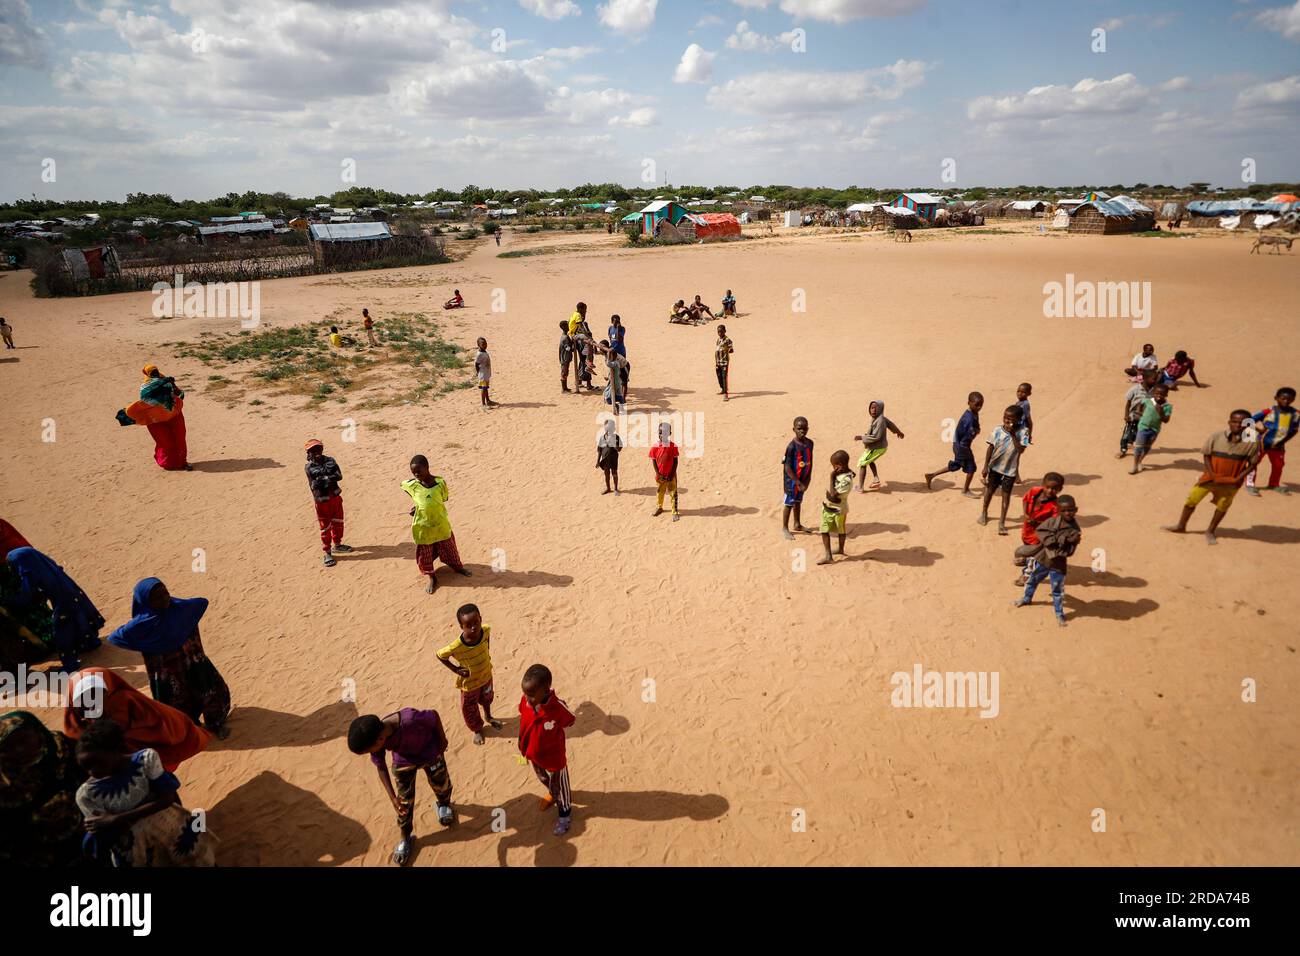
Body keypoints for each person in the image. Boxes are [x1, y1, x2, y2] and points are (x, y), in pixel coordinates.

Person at [75, 718, 216, 867]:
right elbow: (103, 829)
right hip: (138, 850)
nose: (92, 771)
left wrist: (116, 818)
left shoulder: (146, 759)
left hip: (172, 830)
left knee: (195, 859)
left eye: (97, 763)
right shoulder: (86, 795)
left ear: (115, 750)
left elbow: (167, 798)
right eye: (86, 767)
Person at [106, 578, 231, 738]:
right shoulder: (142, 626)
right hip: (168, 674)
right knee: (177, 705)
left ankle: (215, 724)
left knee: (212, 693)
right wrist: (140, 632)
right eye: (156, 598)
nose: (164, 599)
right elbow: (115, 637)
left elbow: (201, 603)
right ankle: (191, 730)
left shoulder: (181, 610)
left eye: (165, 593)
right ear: (145, 602)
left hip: (195, 664)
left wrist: (180, 604)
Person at [347, 707, 455, 865]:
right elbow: (381, 767)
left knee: (442, 783)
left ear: (380, 739)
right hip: (403, 761)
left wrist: (442, 740)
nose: (369, 754)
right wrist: (393, 798)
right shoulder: (377, 736)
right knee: (403, 804)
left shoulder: (411, 719)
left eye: (367, 751)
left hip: (429, 752)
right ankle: (405, 837)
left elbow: (434, 716)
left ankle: (443, 805)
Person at [63, 668, 211, 773]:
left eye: (100, 700)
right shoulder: (74, 727)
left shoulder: (126, 700)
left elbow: (163, 724)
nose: (94, 710)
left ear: (108, 692)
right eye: (85, 707)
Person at [1164, 410, 1264, 545]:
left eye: (1243, 423)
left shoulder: (1251, 442)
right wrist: (1212, 474)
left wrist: (1238, 478)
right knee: (1191, 500)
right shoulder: (1217, 437)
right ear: (1229, 422)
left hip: (1231, 483)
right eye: (1234, 422)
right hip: (1210, 478)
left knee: (1223, 506)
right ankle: (1181, 526)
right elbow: (1206, 456)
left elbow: (1252, 464)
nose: (1238, 425)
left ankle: (1210, 531)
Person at [0, 710, 86, 867]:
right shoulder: (4, 779)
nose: (19, 750)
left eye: (23, 740)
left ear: (37, 732)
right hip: (38, 851)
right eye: (9, 747)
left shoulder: (59, 748)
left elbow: (87, 779)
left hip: (85, 827)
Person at [5, 546, 104, 672]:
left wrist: (9, 601)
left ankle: (70, 664)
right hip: (73, 593)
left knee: (62, 632)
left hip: (63, 602)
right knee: (79, 617)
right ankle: (91, 642)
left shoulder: (28, 571)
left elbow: (27, 595)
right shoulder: (45, 564)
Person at [518, 663, 576, 837]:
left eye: (531, 694)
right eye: (525, 693)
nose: (527, 698)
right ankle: (552, 792)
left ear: (545, 690)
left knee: (561, 785)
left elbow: (570, 719)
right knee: (543, 777)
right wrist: (522, 745)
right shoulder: (525, 702)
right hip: (534, 754)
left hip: (554, 757)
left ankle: (565, 813)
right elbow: (523, 721)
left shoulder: (557, 707)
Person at [436, 604, 503, 745]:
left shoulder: (485, 630)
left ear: (480, 619)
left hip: (486, 676)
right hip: (470, 685)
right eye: (468, 625)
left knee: (487, 698)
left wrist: (487, 650)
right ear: (461, 626)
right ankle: (477, 729)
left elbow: (487, 639)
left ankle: (489, 717)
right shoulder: (456, 646)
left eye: (476, 622)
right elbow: (440, 655)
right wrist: (456, 669)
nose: (473, 627)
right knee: (470, 708)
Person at [402, 455, 471, 593]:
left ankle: (458, 567)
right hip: (423, 528)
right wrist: (417, 507)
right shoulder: (412, 485)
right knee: (425, 555)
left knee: (450, 548)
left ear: (427, 468)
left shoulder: (440, 483)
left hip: (440, 525)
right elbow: (407, 489)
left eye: (419, 471)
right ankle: (432, 578)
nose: (416, 475)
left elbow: (443, 498)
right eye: (413, 473)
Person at [1013, 494, 1081, 628]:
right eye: (1064, 510)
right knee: (1033, 579)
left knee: (1057, 590)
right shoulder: (1052, 521)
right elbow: (1041, 531)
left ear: (1076, 510)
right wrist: (1061, 540)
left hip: (1058, 564)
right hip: (1044, 558)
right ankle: (1026, 598)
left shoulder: (1075, 530)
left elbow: (1069, 551)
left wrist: (1069, 542)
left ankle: (1059, 613)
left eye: (1070, 510)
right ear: (1058, 510)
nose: (1067, 513)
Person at [116, 364, 190, 471]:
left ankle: (183, 462)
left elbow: (178, 393)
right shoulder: (146, 386)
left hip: (173, 414)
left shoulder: (165, 379)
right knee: (165, 442)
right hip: (156, 419)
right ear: (147, 374)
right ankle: (169, 463)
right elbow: (147, 397)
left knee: (180, 438)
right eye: (152, 372)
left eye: (155, 371)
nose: (154, 373)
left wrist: (175, 388)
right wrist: (164, 383)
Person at [978, 406, 1028, 534]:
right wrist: (985, 466)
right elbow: (990, 447)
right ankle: (984, 512)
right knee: (989, 491)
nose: (1007, 420)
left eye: (1010, 418)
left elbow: (1021, 449)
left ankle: (1002, 522)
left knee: (1006, 496)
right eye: (1005, 417)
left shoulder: (1024, 432)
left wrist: (1013, 435)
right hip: (994, 467)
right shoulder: (997, 430)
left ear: (1018, 419)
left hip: (1010, 471)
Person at [925, 392, 983, 495]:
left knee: (956, 465)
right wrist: (975, 433)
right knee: (971, 468)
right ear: (968, 403)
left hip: (958, 444)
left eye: (980, 405)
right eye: (976, 404)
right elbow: (968, 437)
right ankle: (965, 490)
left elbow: (975, 426)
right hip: (962, 446)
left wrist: (976, 429)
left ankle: (931, 475)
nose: (979, 407)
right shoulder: (968, 420)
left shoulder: (973, 413)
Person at [1013, 472, 1064, 587]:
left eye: (1054, 489)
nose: (1050, 490)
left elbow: (1054, 524)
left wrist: (1038, 523)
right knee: (1025, 551)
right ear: (1043, 485)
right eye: (1048, 487)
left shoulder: (1055, 506)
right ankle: (1030, 564)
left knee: (1030, 557)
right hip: (1027, 531)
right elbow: (1025, 500)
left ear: (1060, 489)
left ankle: (1026, 577)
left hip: (1040, 537)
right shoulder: (1035, 491)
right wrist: (1025, 514)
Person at [306, 439, 351, 566]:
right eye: (313, 450)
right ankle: (327, 552)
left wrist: (323, 479)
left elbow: (338, 476)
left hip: (334, 497)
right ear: (309, 453)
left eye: (318, 449)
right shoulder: (309, 467)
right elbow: (314, 485)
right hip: (321, 501)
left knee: (338, 521)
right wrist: (328, 478)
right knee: (325, 527)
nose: (317, 452)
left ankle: (337, 544)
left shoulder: (330, 461)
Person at [1246, 387, 1296, 495]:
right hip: (1262, 444)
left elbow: (1295, 430)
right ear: (1276, 398)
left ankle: (1274, 484)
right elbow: (1248, 420)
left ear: (1293, 400)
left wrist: (1284, 441)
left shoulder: (1296, 414)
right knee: (1253, 462)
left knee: (1278, 465)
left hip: (1279, 447)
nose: (1286, 401)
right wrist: (1257, 431)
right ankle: (1250, 485)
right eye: (1283, 399)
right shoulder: (1269, 411)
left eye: (1289, 399)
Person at [854, 400, 904, 491]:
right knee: (869, 460)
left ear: (880, 409)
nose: (873, 410)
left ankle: (860, 487)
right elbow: (891, 424)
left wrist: (862, 437)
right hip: (876, 447)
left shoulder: (880, 420)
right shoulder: (879, 418)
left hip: (877, 447)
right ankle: (876, 479)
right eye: (871, 408)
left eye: (875, 408)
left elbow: (876, 437)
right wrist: (898, 432)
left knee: (862, 463)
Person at [818, 450, 855, 565]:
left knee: (838, 530)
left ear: (839, 465)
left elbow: (834, 495)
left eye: (834, 465)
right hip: (829, 507)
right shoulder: (844, 473)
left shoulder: (846, 480)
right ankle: (832, 553)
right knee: (825, 529)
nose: (833, 468)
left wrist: (832, 477)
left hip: (838, 510)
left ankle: (835, 552)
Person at [782, 417, 815, 539]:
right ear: (794, 429)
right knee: (789, 503)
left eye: (804, 428)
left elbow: (810, 460)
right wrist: (796, 482)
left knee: (798, 501)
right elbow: (787, 467)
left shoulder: (810, 443)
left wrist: (808, 478)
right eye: (799, 428)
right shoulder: (791, 447)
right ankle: (785, 527)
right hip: (791, 481)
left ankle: (797, 523)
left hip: (803, 479)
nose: (802, 431)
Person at [1129, 384, 1172, 475]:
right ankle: (1135, 466)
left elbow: (1166, 420)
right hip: (1143, 427)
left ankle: (1140, 461)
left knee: (1147, 447)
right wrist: (1139, 413)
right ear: (1153, 393)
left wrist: (1160, 412)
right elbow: (1140, 404)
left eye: (1162, 394)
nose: (1159, 396)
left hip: (1154, 430)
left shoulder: (1167, 406)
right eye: (1156, 394)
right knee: (1138, 447)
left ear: (1166, 395)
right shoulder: (1148, 401)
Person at [1118, 368, 1159, 459]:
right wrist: (1126, 415)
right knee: (1127, 433)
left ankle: (1134, 446)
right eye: (1153, 379)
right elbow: (1128, 403)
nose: (1155, 380)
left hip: (1145, 418)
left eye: (1156, 379)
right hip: (1133, 416)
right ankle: (1123, 450)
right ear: (1144, 378)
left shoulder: (1154, 391)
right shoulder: (1135, 389)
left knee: (1139, 434)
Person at [650, 421, 681, 521]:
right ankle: (659, 507)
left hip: (671, 476)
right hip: (660, 476)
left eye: (664, 433)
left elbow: (675, 461)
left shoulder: (673, 446)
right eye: (660, 433)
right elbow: (654, 461)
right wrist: (658, 474)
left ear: (669, 434)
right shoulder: (655, 447)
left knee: (673, 493)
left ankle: (674, 511)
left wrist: (672, 474)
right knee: (660, 492)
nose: (661, 435)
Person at [600, 340, 627, 410]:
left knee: (609, 396)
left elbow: (608, 363)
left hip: (616, 379)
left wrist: (609, 353)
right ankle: (620, 407)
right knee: (618, 394)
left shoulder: (615, 363)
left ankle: (617, 405)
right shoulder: (614, 362)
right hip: (615, 380)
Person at [597, 420, 622, 495]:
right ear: (605, 429)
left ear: (614, 429)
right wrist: (598, 461)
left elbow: (619, 449)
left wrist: (614, 444)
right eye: (607, 429)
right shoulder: (602, 438)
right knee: (606, 473)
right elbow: (599, 450)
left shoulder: (616, 437)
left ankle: (616, 489)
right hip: (605, 459)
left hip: (613, 459)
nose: (609, 431)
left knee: (614, 473)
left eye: (611, 429)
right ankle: (608, 488)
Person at [474, 337, 497, 408]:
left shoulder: (484, 351)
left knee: (486, 388)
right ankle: (483, 404)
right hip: (483, 374)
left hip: (486, 373)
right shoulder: (479, 354)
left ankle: (488, 401)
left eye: (486, 343)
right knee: (483, 389)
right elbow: (476, 364)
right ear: (478, 345)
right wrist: (478, 372)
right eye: (483, 344)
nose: (485, 345)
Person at [715, 325, 733, 401]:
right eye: (718, 332)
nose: (719, 333)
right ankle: (723, 388)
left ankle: (726, 393)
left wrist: (728, 350)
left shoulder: (728, 340)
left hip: (724, 361)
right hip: (718, 361)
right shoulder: (718, 340)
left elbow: (731, 349)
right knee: (719, 376)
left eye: (721, 331)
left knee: (724, 377)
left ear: (725, 331)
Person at [558, 320, 575, 393]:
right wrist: (572, 349)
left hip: (566, 358)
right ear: (563, 327)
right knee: (564, 372)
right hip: (565, 358)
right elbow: (567, 348)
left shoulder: (565, 336)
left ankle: (565, 388)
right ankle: (563, 388)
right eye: (568, 325)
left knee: (565, 372)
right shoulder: (565, 338)